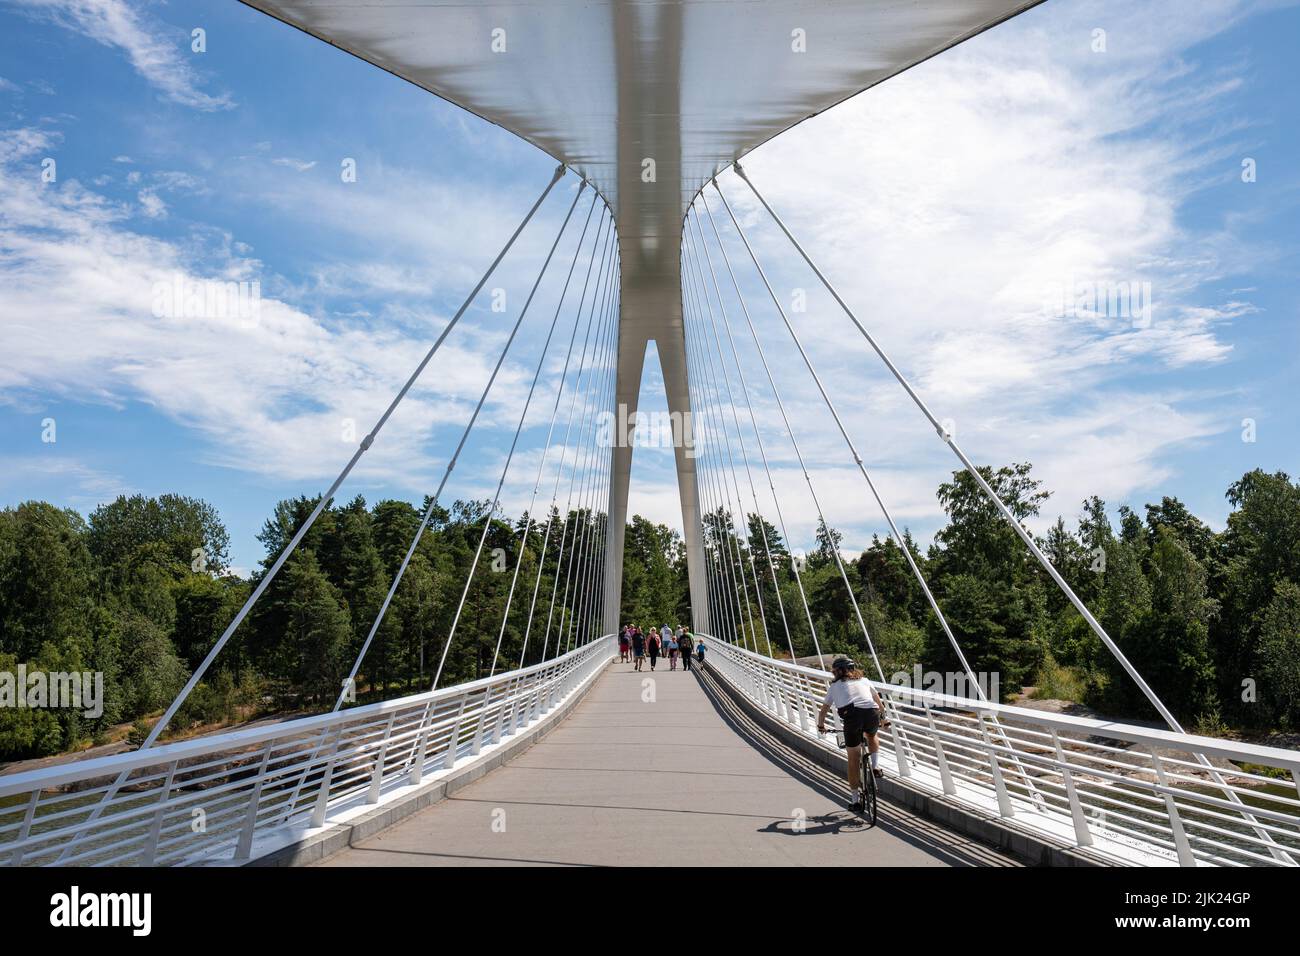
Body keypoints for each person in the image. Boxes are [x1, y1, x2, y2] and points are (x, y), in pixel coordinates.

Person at [816, 656, 885, 811]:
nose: (834, 675)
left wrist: (821, 725)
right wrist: (884, 719)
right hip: (872, 712)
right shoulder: (865, 680)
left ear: (840, 671)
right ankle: (876, 766)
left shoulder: (834, 687)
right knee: (872, 735)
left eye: (834, 672)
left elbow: (824, 709)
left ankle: (855, 800)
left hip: (852, 717)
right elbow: (878, 702)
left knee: (853, 759)